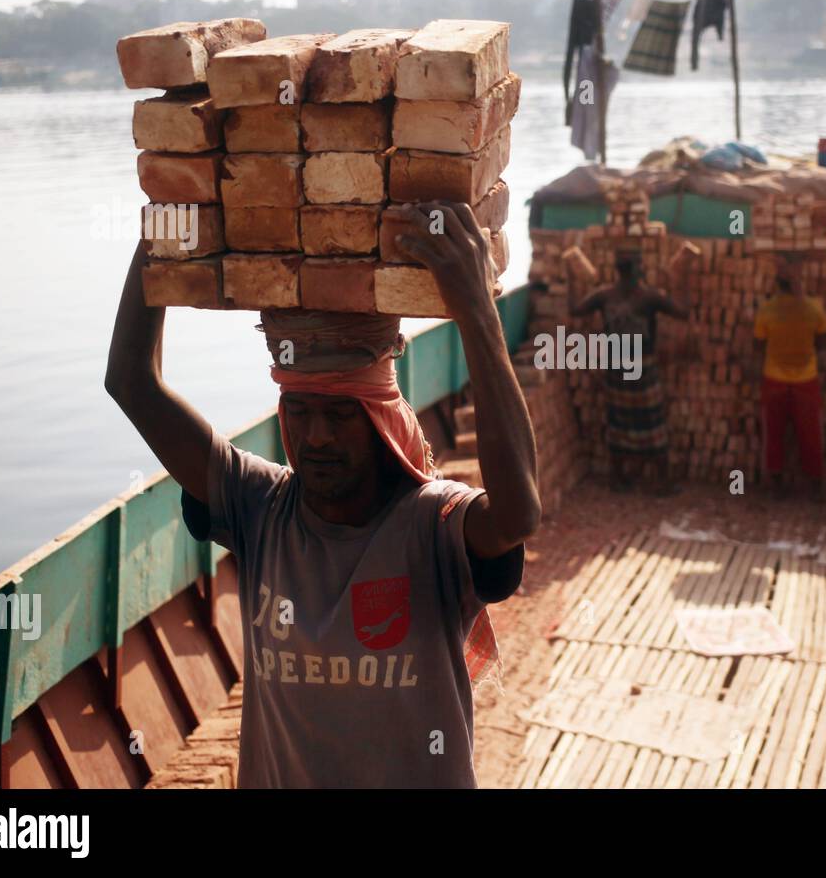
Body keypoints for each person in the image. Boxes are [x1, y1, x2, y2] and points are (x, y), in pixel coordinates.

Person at [105, 201, 540, 788]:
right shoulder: (259, 507)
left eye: (339, 415)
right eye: (300, 411)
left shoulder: (432, 523)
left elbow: (518, 513)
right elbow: (131, 382)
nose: (315, 437)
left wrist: (476, 312)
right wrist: (162, 223)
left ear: (380, 418)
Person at [569, 248, 688, 494]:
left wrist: (572, 274)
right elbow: (683, 312)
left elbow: (574, 309)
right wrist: (682, 277)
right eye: (640, 266)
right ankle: (661, 482)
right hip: (642, 370)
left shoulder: (604, 296)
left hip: (616, 370)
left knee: (619, 423)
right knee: (653, 424)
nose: (643, 270)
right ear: (634, 270)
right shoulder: (648, 297)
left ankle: (618, 478)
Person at [751, 259, 826, 499]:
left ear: (776, 285)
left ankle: (774, 485)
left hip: (774, 377)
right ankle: (815, 486)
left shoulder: (766, 310)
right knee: (811, 434)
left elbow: (758, 344)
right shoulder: (813, 308)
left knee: (773, 433)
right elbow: (824, 341)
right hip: (806, 378)